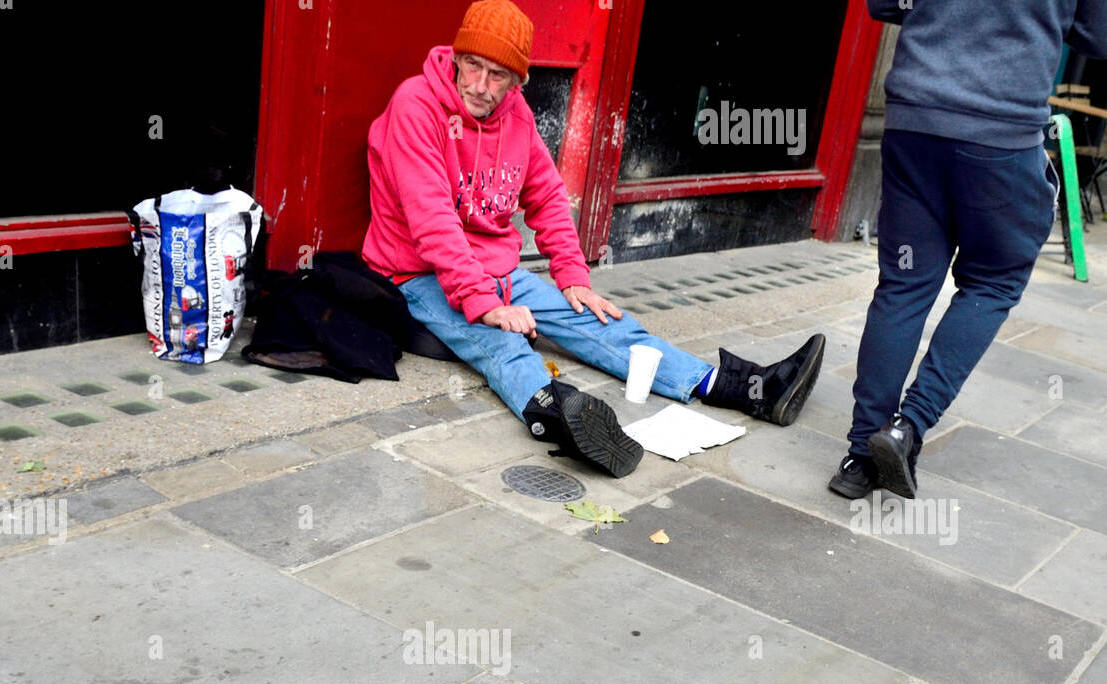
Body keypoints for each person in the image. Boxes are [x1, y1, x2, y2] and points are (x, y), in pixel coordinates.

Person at [362, 0, 825, 478]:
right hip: (417, 272)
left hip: (495, 270)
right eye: (473, 65)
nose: (480, 85)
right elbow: (432, 219)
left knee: (599, 320)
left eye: (497, 74)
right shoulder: (416, 104)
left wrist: (572, 277)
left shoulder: (515, 114)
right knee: (500, 343)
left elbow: (545, 194)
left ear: (519, 80)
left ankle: (740, 386)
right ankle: (561, 417)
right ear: (457, 56)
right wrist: (484, 303)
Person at [830, 0, 1107, 501]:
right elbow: (1099, 36)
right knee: (993, 282)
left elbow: (884, 4)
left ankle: (859, 457)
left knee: (904, 284)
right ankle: (907, 426)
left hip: (915, 122)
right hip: (1000, 134)